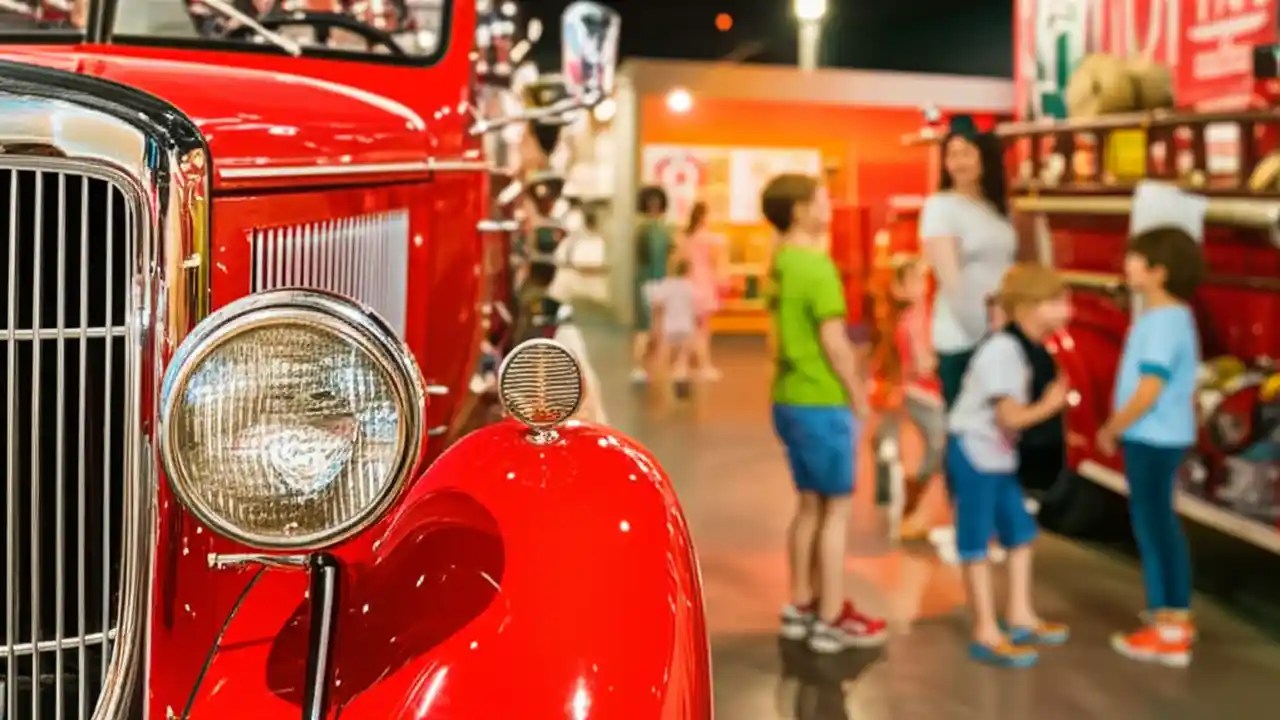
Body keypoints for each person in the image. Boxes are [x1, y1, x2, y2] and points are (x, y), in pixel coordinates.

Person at [764, 173, 887, 653]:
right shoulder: (816, 267)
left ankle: (801, 605)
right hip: (821, 401)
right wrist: (858, 394)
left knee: (809, 506)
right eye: (822, 200)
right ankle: (831, 618)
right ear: (799, 210)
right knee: (835, 511)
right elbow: (835, 343)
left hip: (789, 399)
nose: (830, 207)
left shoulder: (780, 263)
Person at [947, 263, 1070, 667]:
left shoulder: (1026, 349)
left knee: (1020, 533)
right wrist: (1051, 406)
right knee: (976, 542)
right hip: (977, 453)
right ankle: (986, 628)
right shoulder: (1003, 351)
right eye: (1056, 302)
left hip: (998, 456)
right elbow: (1010, 417)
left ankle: (1019, 614)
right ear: (1029, 307)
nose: (1066, 310)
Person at [1099, 226, 1204, 668]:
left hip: (1150, 436)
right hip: (1167, 435)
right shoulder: (1179, 317)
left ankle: (1168, 627)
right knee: (1162, 523)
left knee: (1153, 527)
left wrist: (1113, 427)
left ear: (1159, 272)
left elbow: (1148, 390)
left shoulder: (1161, 323)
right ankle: (1173, 613)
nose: (1128, 264)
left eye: (1136, 258)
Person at [919, 124, 1017, 560]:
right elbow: (951, 278)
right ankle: (966, 527)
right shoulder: (941, 207)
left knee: (996, 435)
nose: (958, 162)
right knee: (966, 435)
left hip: (998, 337)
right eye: (951, 154)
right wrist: (983, 336)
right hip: (963, 338)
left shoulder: (994, 208)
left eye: (966, 153)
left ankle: (987, 525)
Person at [876, 255, 946, 540]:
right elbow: (921, 364)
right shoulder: (913, 320)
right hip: (923, 395)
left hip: (924, 394)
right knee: (937, 448)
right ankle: (911, 508)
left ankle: (913, 510)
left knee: (936, 450)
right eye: (916, 279)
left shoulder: (921, 316)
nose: (923, 284)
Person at [678, 201, 727, 381]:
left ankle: (683, 366)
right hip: (703, 283)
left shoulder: (686, 237)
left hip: (689, 281)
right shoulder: (709, 238)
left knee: (692, 326)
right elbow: (720, 252)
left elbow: (680, 259)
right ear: (703, 217)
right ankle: (702, 366)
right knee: (702, 328)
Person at [632, 186, 674, 383]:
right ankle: (640, 366)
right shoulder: (651, 229)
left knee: (655, 328)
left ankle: (649, 367)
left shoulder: (657, 229)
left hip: (656, 281)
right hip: (649, 282)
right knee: (646, 328)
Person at [647, 258, 698, 388]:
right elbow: (695, 308)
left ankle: (662, 382)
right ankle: (681, 376)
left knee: (666, 355)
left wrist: (655, 324)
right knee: (683, 356)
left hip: (669, 326)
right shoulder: (690, 286)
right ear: (687, 271)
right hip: (686, 326)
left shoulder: (667, 285)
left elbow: (656, 303)